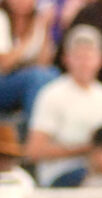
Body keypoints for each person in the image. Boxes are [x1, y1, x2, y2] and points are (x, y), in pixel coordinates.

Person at [25, 23, 102, 186]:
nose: (84, 62)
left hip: (99, 172)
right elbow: (34, 150)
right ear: (66, 58)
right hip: (60, 173)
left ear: (100, 59)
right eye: (78, 56)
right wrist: (85, 148)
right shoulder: (52, 94)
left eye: (89, 55)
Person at [0, 0, 59, 128]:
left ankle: (48, 128)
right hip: (3, 82)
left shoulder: (38, 20)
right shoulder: (2, 18)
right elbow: (4, 64)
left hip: (24, 80)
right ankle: (32, 130)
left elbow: (43, 64)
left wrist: (46, 29)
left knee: (53, 74)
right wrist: (29, 38)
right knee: (35, 77)